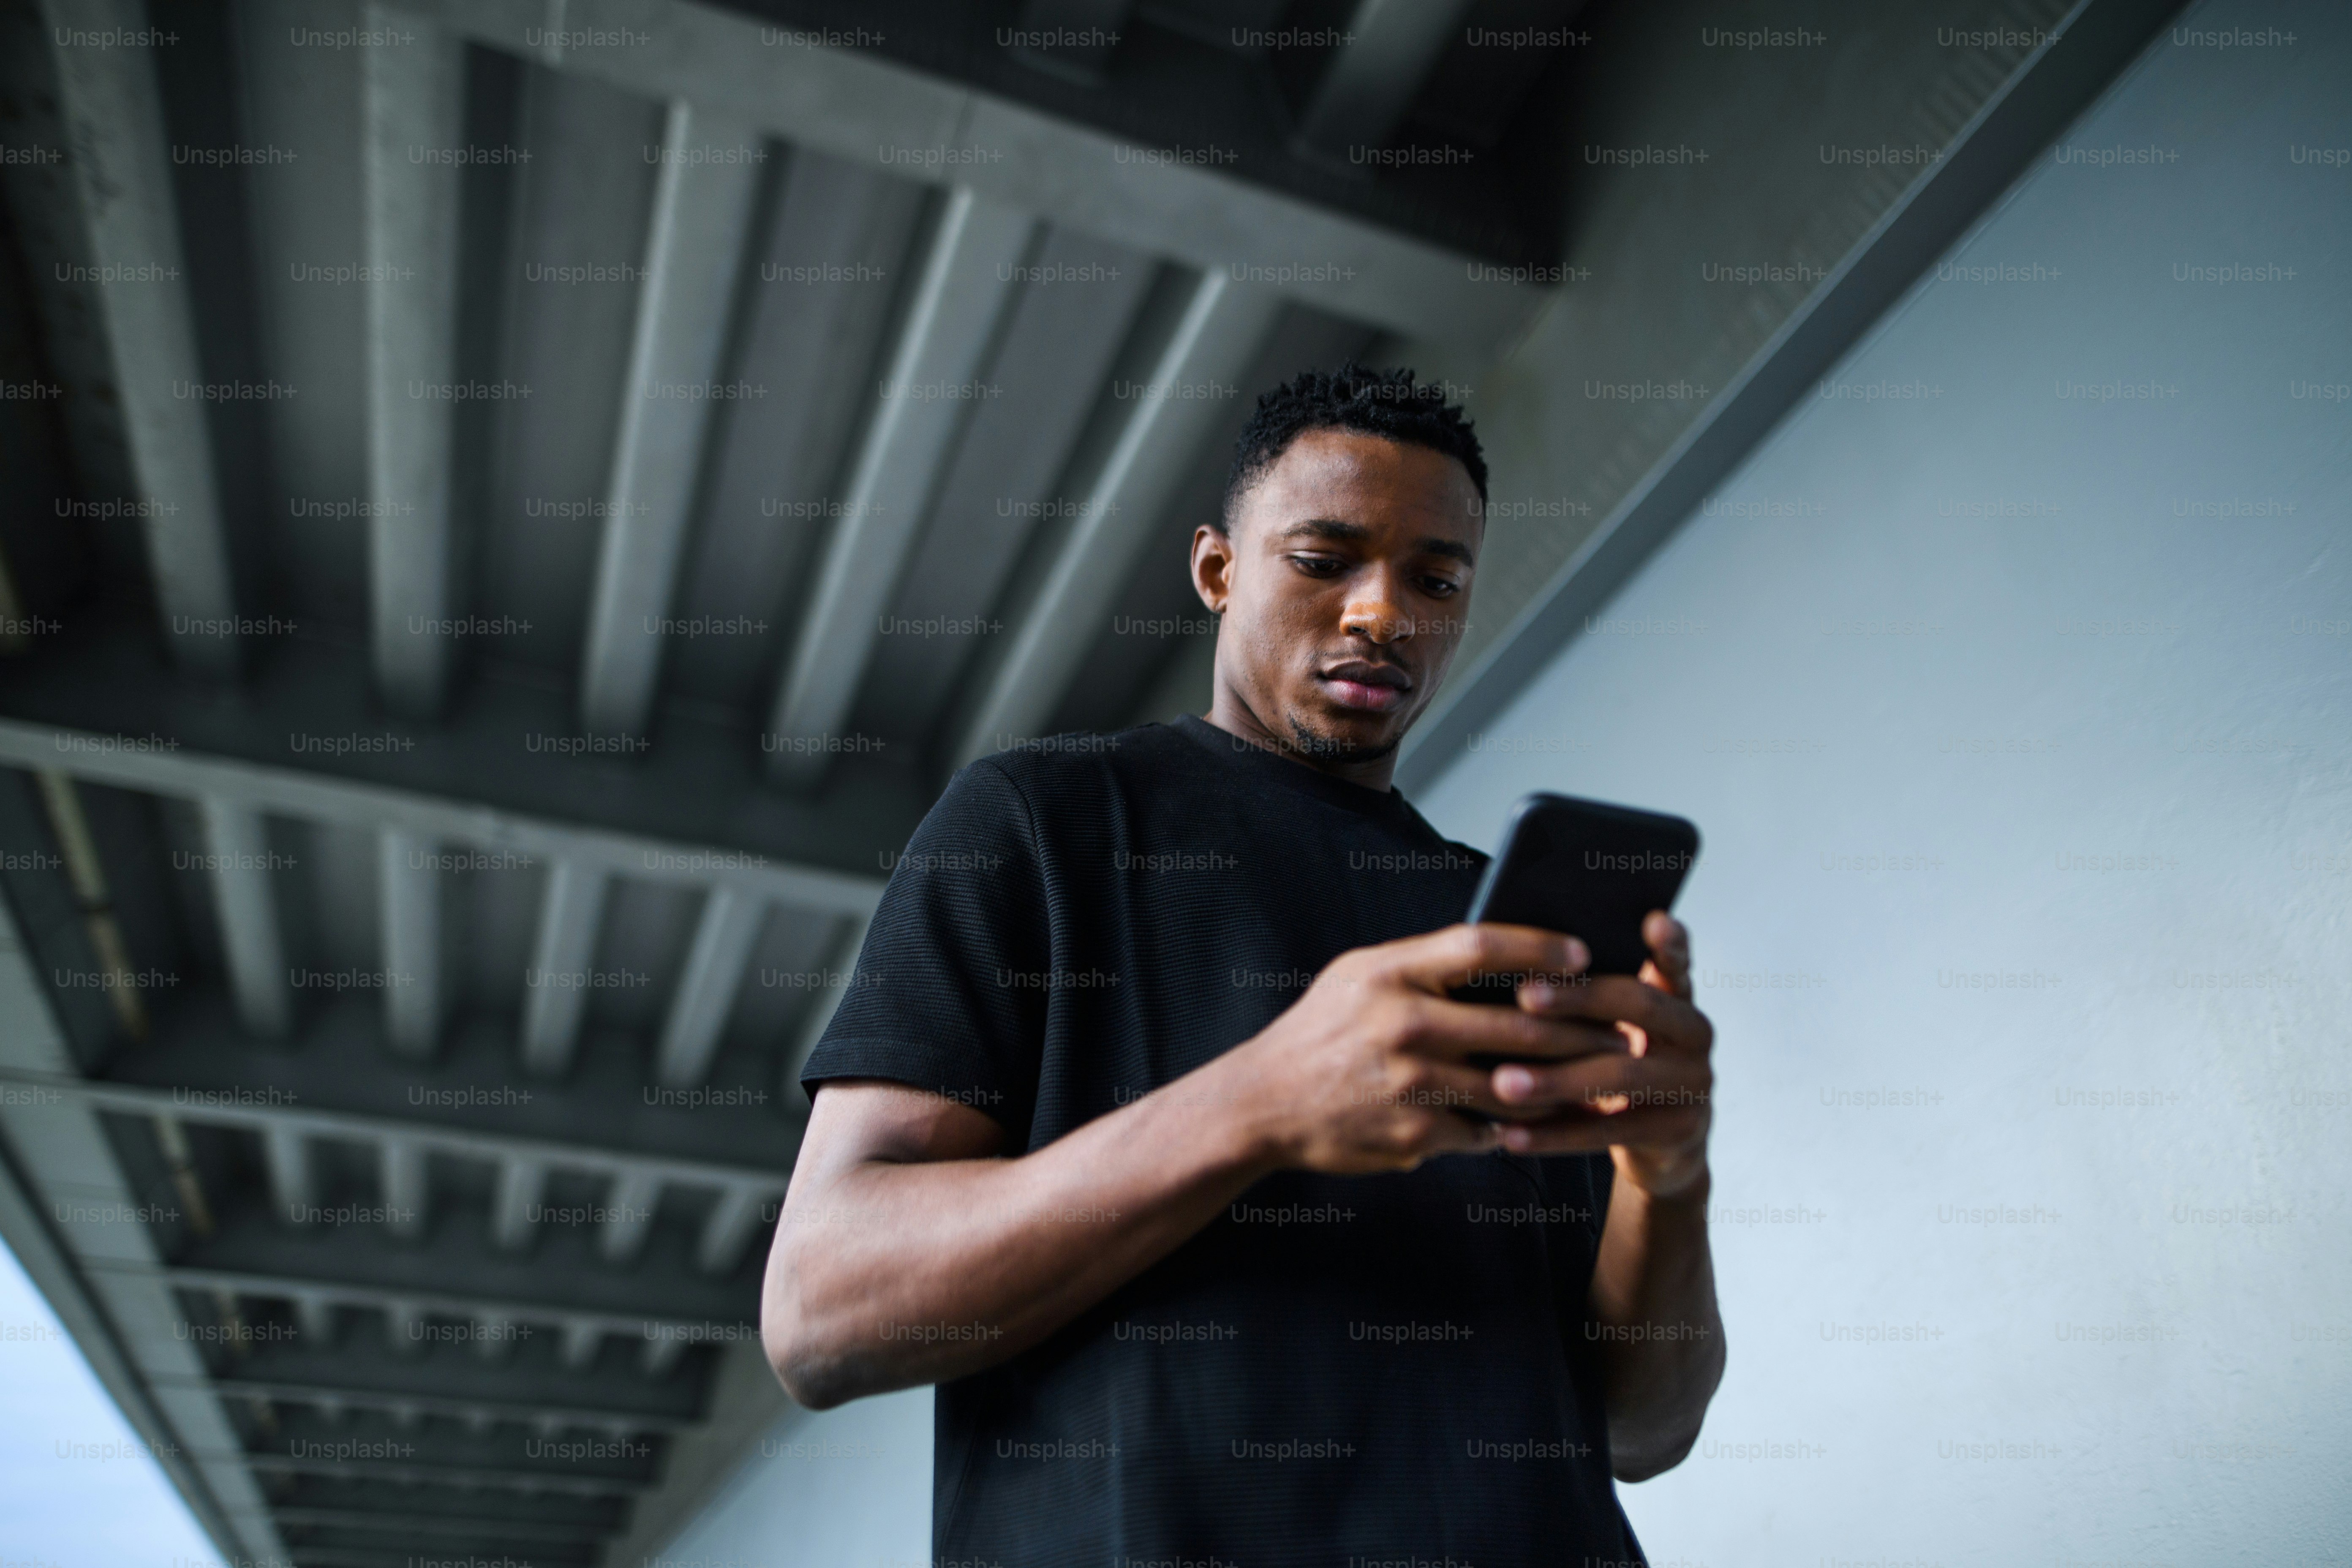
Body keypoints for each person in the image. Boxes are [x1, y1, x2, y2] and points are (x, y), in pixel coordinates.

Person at [762, 365, 1723, 1567]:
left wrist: (1669, 1176)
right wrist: (1266, 1102)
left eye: (1437, 578)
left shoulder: (1491, 932)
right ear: (1219, 571)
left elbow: (1642, 1429)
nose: (1386, 614)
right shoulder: (1041, 820)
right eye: (1325, 561)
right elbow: (822, 1308)